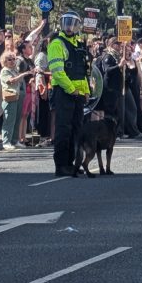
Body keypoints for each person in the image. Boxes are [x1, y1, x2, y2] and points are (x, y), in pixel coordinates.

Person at [48, 12, 92, 177]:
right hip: (64, 92)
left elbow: (83, 72)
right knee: (63, 129)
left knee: (76, 129)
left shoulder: (79, 45)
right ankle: (61, 165)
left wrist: (86, 91)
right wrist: (71, 89)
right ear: (61, 24)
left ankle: (72, 162)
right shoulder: (57, 44)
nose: (69, 26)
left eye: (73, 23)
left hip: (78, 93)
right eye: (67, 23)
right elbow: (58, 72)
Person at [0, 50, 26, 150]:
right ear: (4, 61)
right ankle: (6, 141)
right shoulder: (5, 70)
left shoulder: (14, 70)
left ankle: (15, 140)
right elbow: (11, 81)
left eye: (13, 59)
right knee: (9, 120)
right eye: (9, 59)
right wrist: (22, 75)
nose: (12, 61)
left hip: (17, 96)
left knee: (16, 119)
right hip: (9, 97)